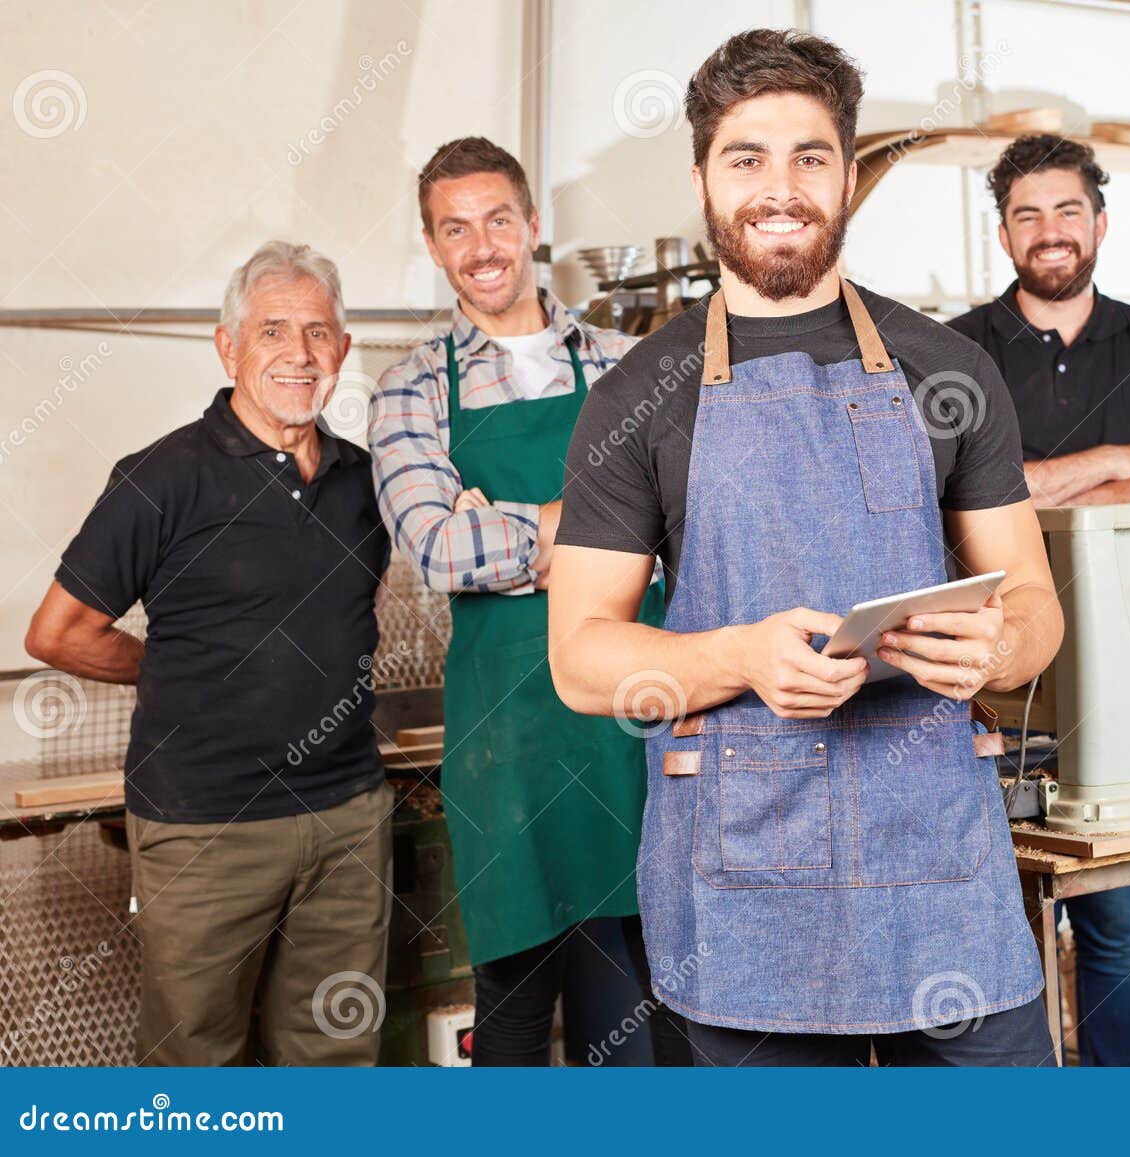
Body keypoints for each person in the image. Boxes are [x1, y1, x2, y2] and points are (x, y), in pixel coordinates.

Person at [548, 29, 1064, 1067]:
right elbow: (579, 658)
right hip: (746, 886)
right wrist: (739, 657)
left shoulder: (944, 366)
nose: (779, 188)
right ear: (701, 176)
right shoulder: (636, 396)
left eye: (810, 157)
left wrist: (996, 651)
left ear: (847, 173)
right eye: (747, 158)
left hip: (939, 868)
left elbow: (1038, 607)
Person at [26, 242, 393, 1066]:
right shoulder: (160, 479)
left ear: (341, 349)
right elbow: (56, 632)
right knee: (197, 1063)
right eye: (272, 331)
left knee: (337, 1052)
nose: (298, 354)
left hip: (346, 816)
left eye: (318, 332)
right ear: (228, 348)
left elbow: (353, 615)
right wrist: (180, 674)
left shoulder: (366, 481)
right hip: (205, 826)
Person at [368, 137, 683, 1066]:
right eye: (455, 228)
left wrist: (510, 523)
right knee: (511, 1000)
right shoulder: (411, 386)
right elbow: (435, 547)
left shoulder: (634, 364)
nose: (482, 245)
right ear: (432, 246)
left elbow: (684, 529)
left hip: (635, 714)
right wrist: (604, 529)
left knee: (644, 989)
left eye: (498, 218)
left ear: (533, 226)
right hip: (510, 736)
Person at [950, 133, 1130, 1067]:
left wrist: (1023, 488)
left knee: (1109, 920)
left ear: (1098, 223)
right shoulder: (958, 348)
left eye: (1067, 210)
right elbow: (952, 497)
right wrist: (1112, 458)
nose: (1049, 230)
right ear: (1005, 234)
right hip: (985, 668)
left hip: (1122, 673)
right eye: (1027, 214)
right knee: (986, 920)